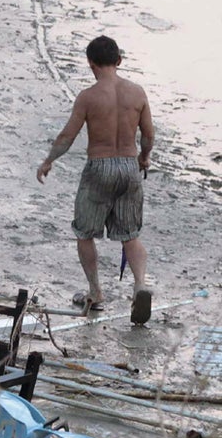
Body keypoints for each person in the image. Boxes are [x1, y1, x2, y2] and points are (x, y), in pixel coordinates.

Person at [36, 36, 155, 324]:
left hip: (99, 167)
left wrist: (49, 160)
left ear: (90, 63)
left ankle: (95, 292)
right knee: (130, 234)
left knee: (85, 232)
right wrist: (144, 157)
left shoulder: (88, 97)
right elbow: (149, 135)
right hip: (129, 167)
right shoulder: (137, 92)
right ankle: (140, 285)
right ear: (119, 60)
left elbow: (68, 135)